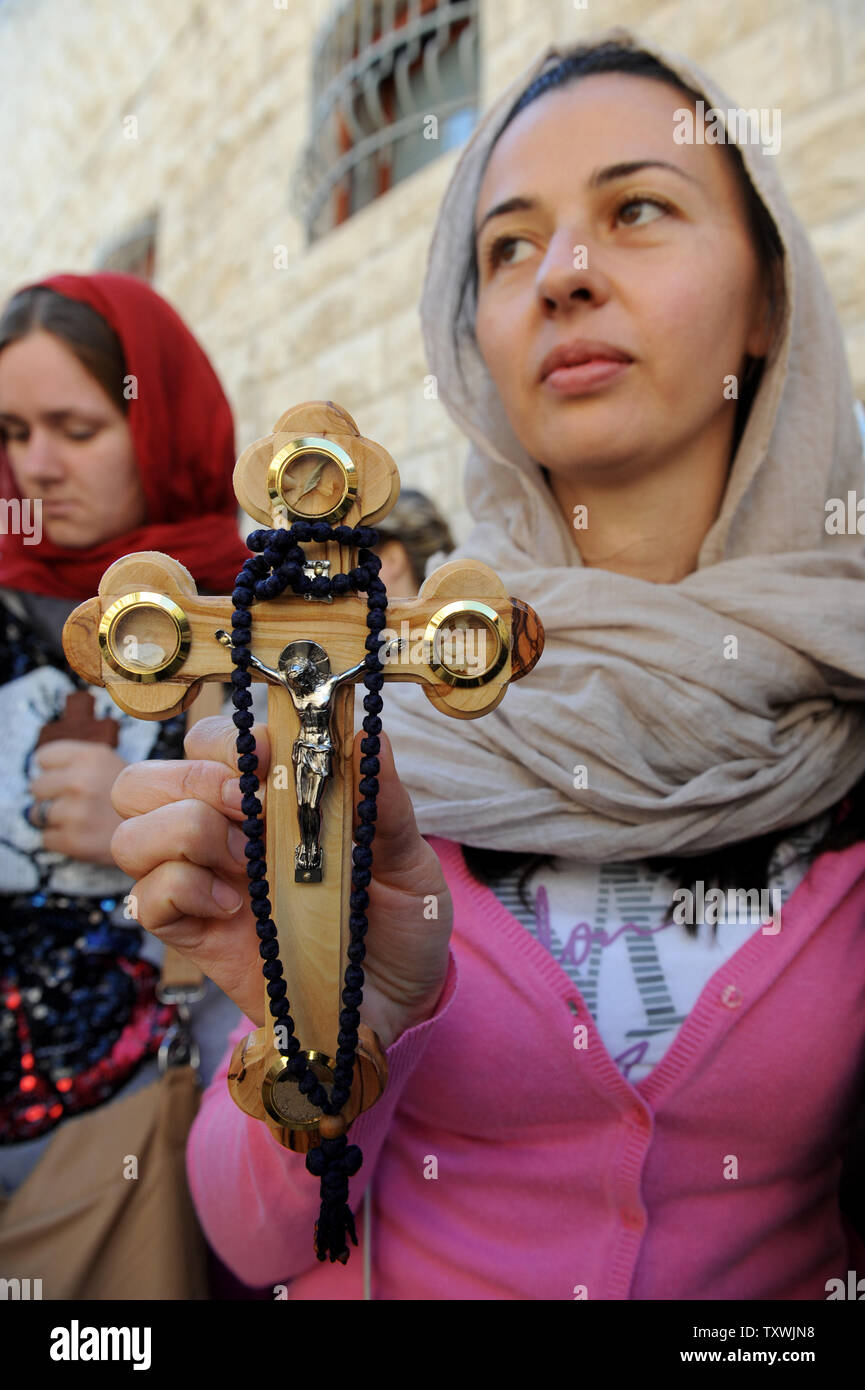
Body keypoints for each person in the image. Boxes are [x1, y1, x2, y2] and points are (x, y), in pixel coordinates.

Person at [109, 31, 865, 1300]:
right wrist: (325, 1021)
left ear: (768, 293)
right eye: (507, 244)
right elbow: (253, 1239)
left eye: (637, 209)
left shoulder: (843, 684)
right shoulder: (391, 708)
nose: (562, 274)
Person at [0, 272, 249, 1295]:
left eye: (77, 426)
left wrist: (160, 820)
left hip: (143, 1134)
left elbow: (340, 887)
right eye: (11, 430)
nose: (36, 466)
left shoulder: (254, 623)